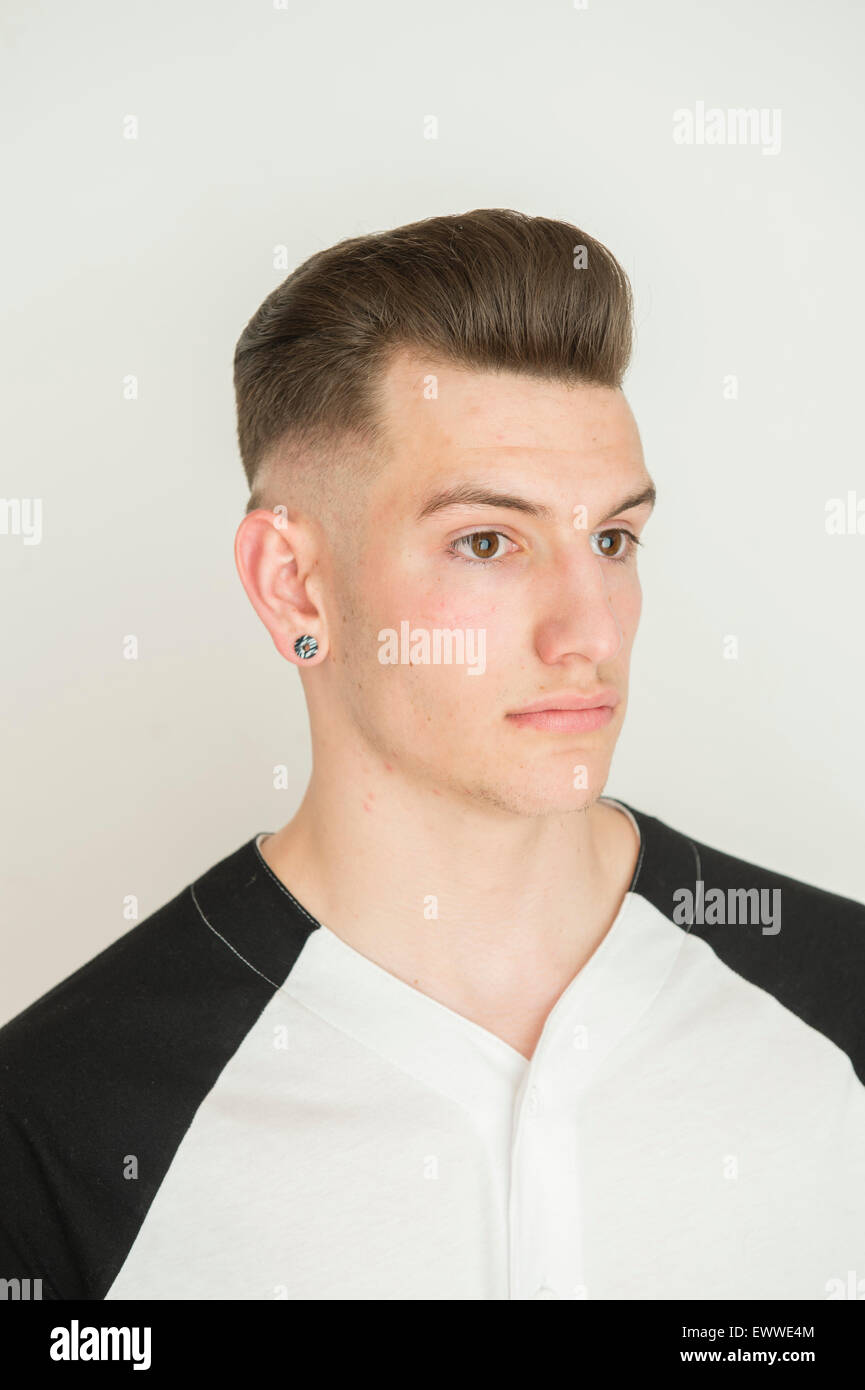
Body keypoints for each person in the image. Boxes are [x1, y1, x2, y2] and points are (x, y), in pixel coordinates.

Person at [1, 209, 862, 1302]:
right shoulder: (59, 1126)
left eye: (612, 539)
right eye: (488, 542)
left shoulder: (840, 1013)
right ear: (294, 586)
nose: (587, 631)